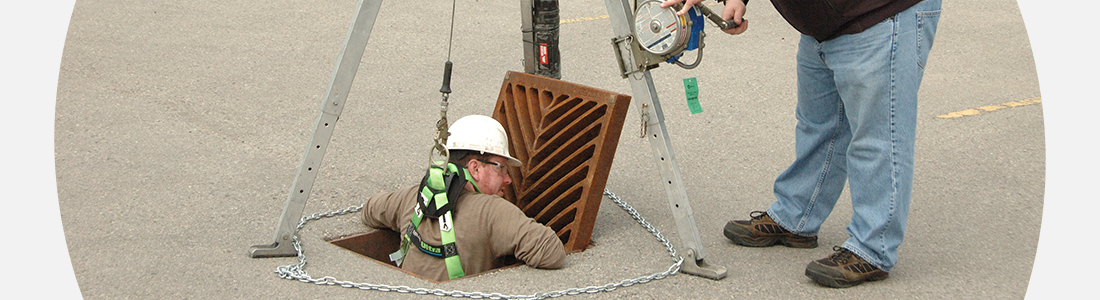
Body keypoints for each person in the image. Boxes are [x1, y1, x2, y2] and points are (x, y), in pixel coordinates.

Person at [661, 0, 942, 288]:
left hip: (878, 16)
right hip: (823, 24)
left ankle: (873, 248)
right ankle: (796, 218)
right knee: (819, 126)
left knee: (878, 139)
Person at [360, 115, 565, 282]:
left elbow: (370, 210)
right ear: (475, 168)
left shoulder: (415, 196)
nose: (508, 179)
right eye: (501, 167)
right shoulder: (492, 211)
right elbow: (551, 253)